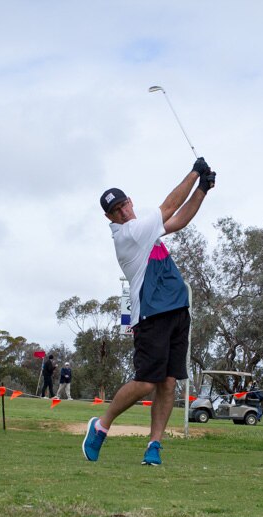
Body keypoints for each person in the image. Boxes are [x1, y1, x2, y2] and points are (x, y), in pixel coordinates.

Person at [82, 157, 216, 466]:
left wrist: (203, 190)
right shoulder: (129, 235)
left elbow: (179, 220)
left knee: (168, 383)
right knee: (145, 383)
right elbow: (169, 207)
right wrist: (195, 172)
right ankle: (101, 426)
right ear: (109, 217)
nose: (123, 212)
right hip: (151, 314)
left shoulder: (144, 227)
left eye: (124, 205)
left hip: (178, 310)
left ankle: (154, 445)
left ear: (130, 202)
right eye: (115, 211)